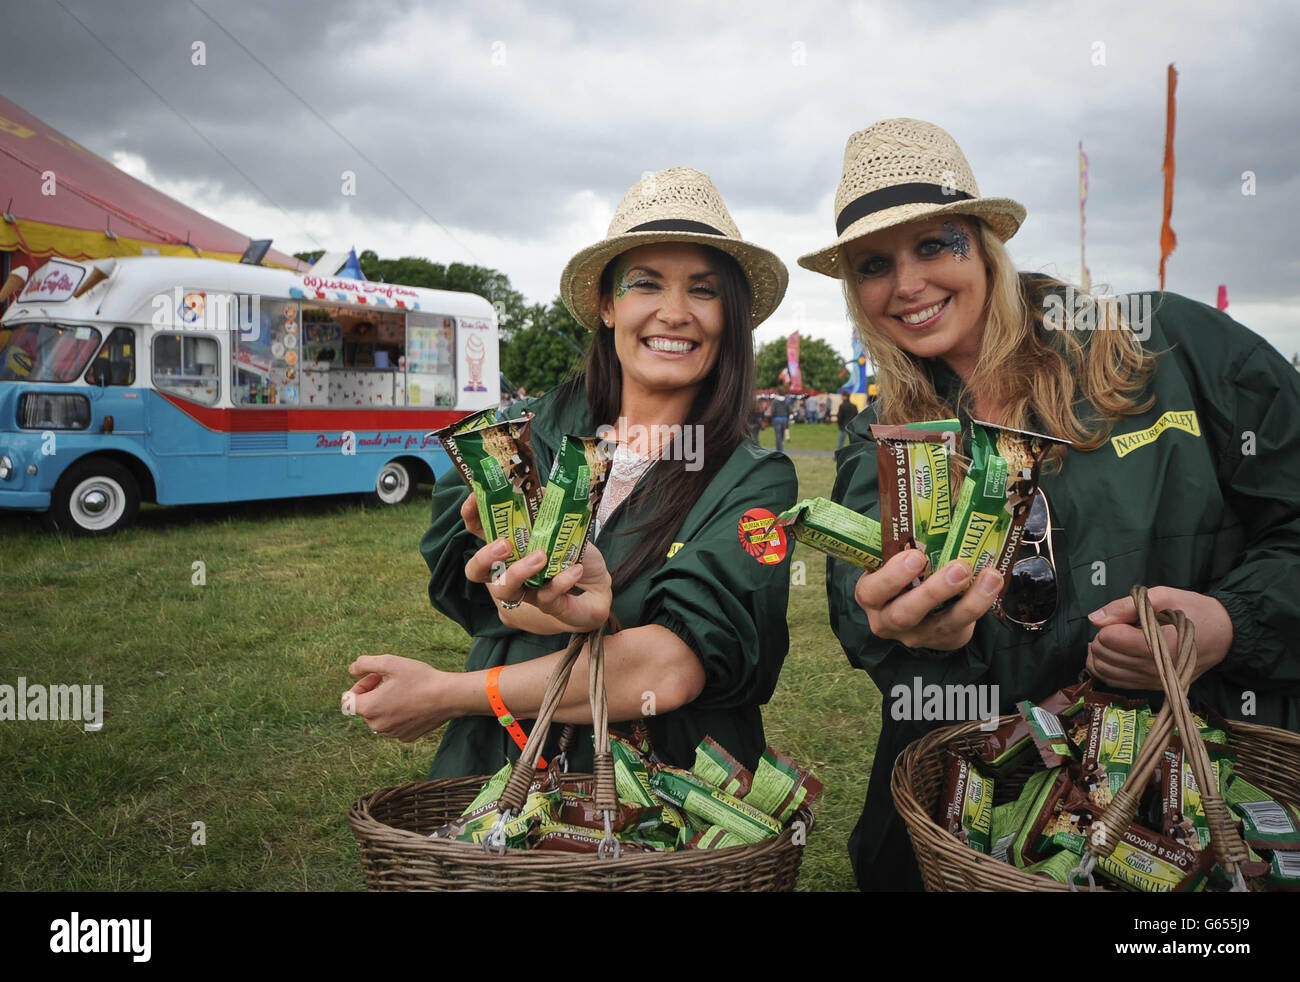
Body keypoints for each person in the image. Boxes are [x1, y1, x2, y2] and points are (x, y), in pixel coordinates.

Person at [800, 118, 1300, 891]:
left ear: (984, 243)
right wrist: (901, 625)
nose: (906, 284)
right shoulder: (885, 430)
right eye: (874, 264)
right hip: (980, 825)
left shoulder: (1165, 344)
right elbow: (860, 591)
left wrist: (1230, 623)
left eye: (935, 245)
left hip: (1194, 788)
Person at [346, 166, 798, 777]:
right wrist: (527, 587)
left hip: (662, 791)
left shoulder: (757, 480)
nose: (674, 312)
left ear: (731, 316)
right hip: (496, 766)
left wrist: (446, 692)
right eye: (646, 284)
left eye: (704, 289)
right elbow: (489, 599)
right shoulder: (511, 436)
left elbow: (667, 669)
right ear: (609, 306)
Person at [769, 385, 790, 452]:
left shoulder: (775, 401)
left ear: (777, 392)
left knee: (778, 436)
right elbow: (789, 411)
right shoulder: (786, 401)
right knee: (782, 435)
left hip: (777, 419)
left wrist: (772, 418)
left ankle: (779, 450)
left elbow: (773, 411)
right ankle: (781, 448)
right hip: (784, 419)